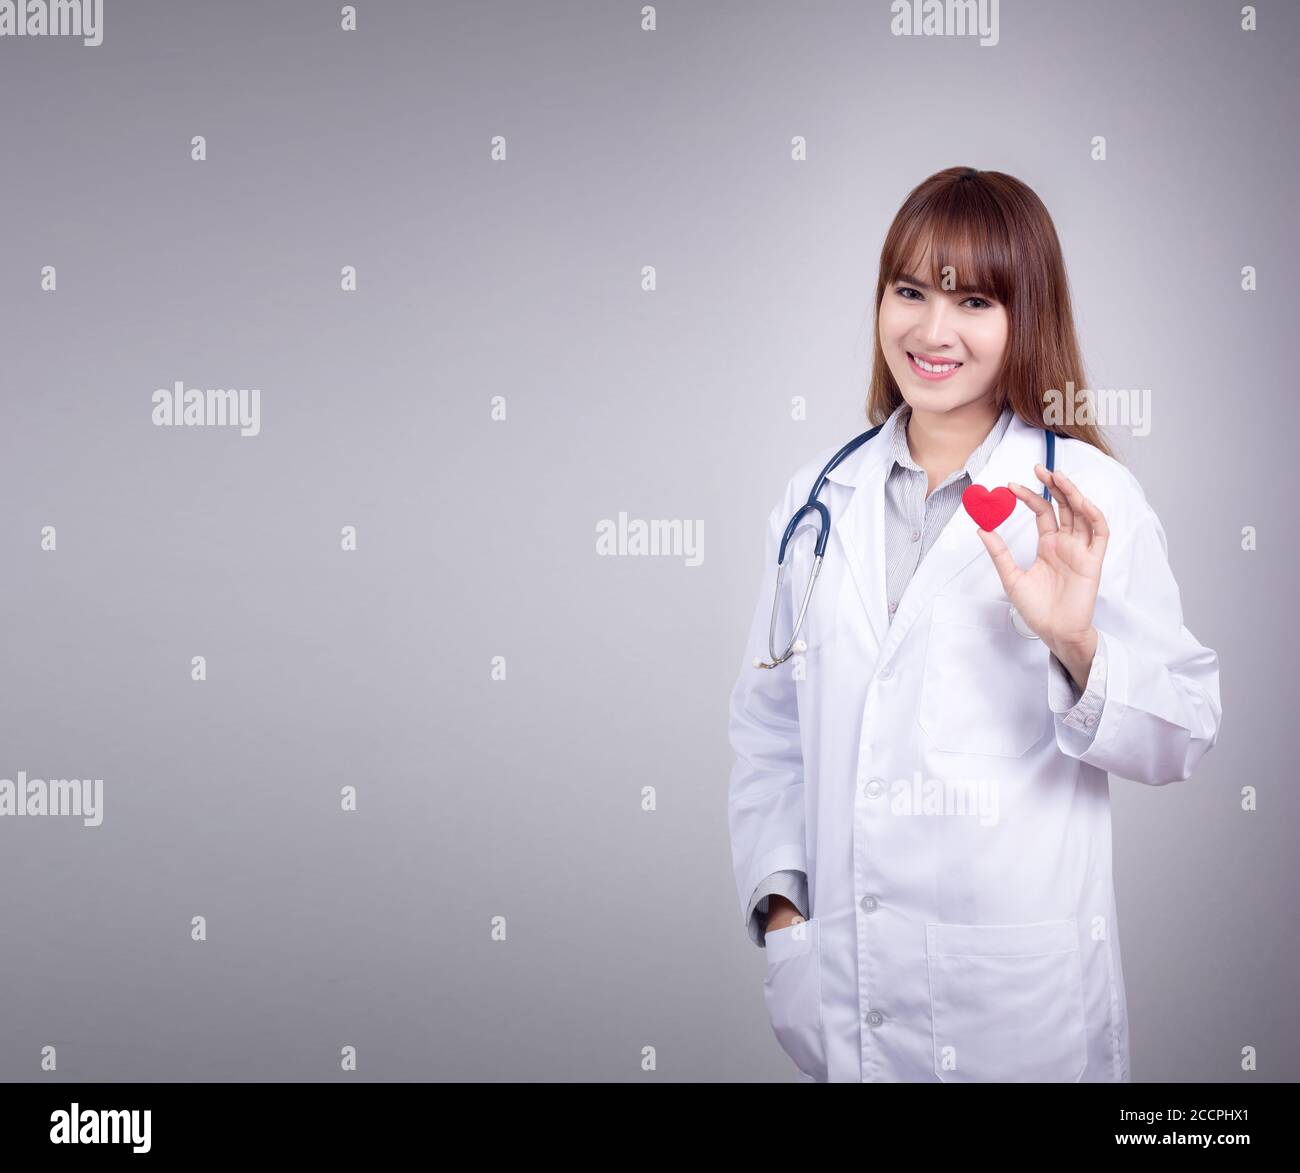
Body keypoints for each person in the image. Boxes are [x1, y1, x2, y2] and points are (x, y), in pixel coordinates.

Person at [726, 166, 1223, 1083]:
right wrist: (784, 914)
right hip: (847, 998)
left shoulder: (1084, 496)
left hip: (1018, 1015)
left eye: (974, 300)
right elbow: (769, 733)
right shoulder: (815, 501)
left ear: (1024, 317)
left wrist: (1076, 641)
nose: (931, 330)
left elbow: (1184, 729)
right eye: (909, 290)